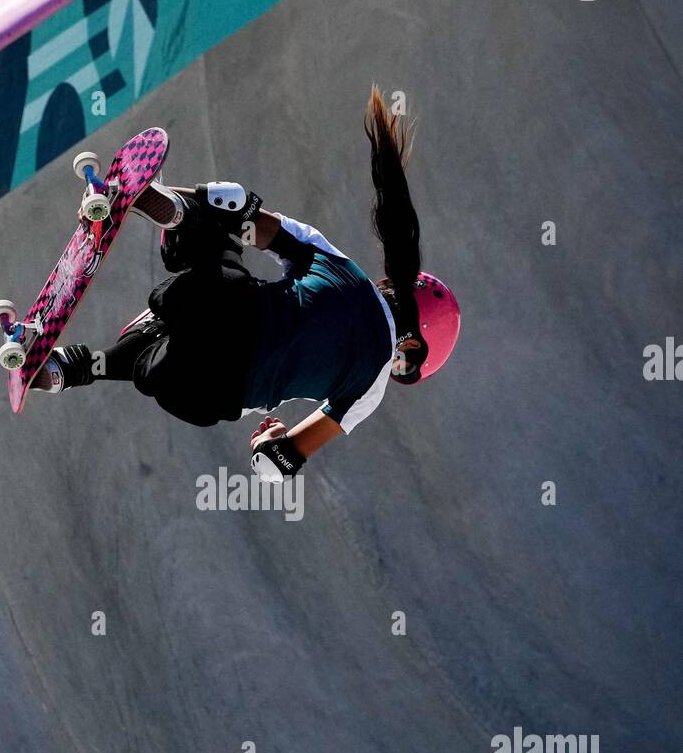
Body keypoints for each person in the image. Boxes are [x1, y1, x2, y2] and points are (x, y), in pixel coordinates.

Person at [31, 85, 457, 481]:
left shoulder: (341, 267)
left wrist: (132, 199)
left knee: (216, 237)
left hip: (216, 302)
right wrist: (267, 442)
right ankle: (68, 369)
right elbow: (279, 464)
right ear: (413, 346)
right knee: (154, 360)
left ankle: (173, 210)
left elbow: (241, 214)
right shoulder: (370, 389)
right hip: (201, 393)